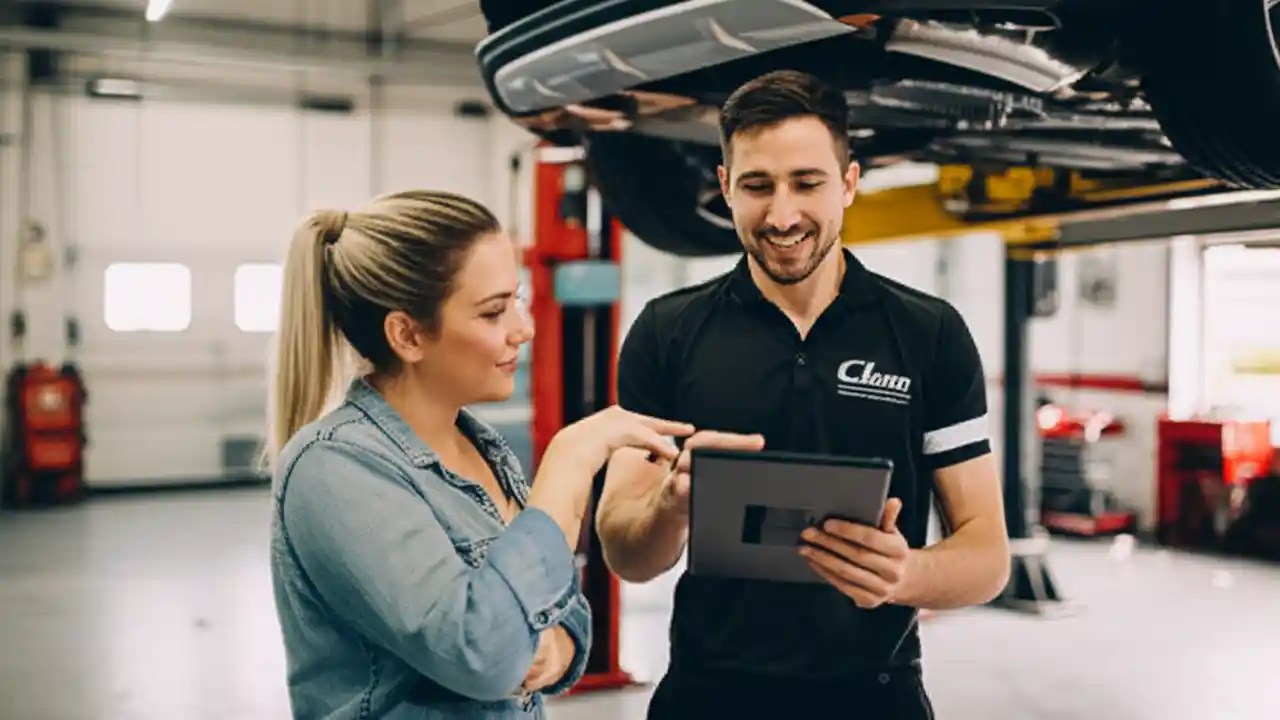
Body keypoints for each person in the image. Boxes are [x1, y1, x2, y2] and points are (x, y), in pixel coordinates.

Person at [596, 70, 1013, 719]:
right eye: (758, 186)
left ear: (849, 183)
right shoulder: (666, 332)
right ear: (725, 186)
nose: (782, 215)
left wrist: (904, 575)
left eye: (807, 183)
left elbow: (988, 555)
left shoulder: (928, 333)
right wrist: (672, 505)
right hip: (710, 696)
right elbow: (626, 554)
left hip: (874, 698)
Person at [264, 189, 695, 719]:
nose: (523, 328)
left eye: (517, 299)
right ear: (407, 335)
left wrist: (556, 649)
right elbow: (483, 656)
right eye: (493, 312)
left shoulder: (482, 447)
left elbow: (563, 611)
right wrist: (567, 463)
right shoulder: (334, 469)